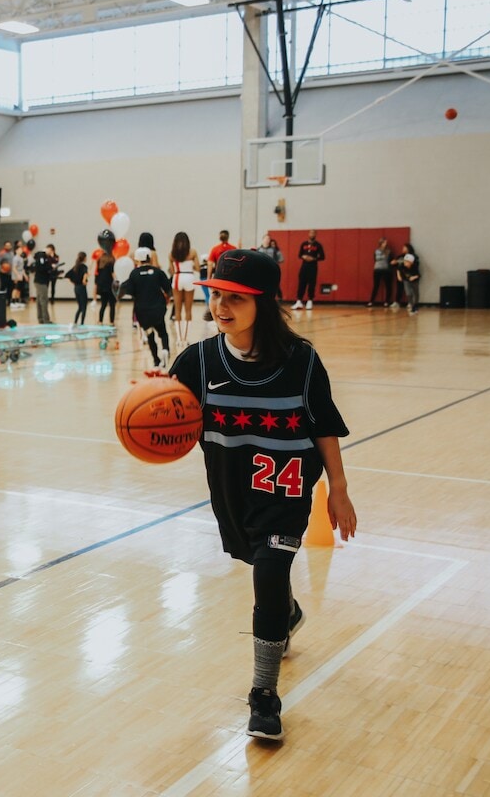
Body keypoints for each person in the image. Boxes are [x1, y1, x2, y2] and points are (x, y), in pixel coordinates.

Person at [168, 249, 356, 741]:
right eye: (216, 296)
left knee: (270, 569)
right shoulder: (200, 360)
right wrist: (149, 407)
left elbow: (325, 426)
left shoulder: (301, 360)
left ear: (263, 303)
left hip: (286, 488)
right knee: (262, 569)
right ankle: (288, 614)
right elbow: (167, 408)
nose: (221, 306)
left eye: (236, 299)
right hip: (233, 489)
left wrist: (338, 489)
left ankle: (264, 696)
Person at [120, 247, 172, 367]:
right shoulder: (158, 272)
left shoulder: (134, 274)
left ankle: (156, 360)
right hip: (158, 309)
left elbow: (130, 292)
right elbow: (169, 290)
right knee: (163, 332)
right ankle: (165, 349)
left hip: (142, 311)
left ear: (137, 259)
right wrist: (166, 300)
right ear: (149, 257)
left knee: (149, 334)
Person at [170, 231, 200, 346]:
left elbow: (172, 271)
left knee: (177, 309)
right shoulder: (192, 252)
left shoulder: (171, 254)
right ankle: (185, 339)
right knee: (188, 309)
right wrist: (190, 265)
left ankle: (179, 339)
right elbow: (197, 268)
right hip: (189, 277)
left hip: (177, 277)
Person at [293, 229, 325, 310]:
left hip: (313, 267)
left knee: (311, 284)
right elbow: (300, 254)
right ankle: (299, 301)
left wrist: (313, 259)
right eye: (311, 233)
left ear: (315, 235)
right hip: (304, 266)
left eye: (313, 233)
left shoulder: (318, 245)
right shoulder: (304, 244)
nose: (312, 234)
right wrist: (304, 256)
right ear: (308, 234)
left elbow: (322, 256)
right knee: (301, 283)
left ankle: (310, 301)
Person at [207, 230, 235, 322]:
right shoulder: (233, 248)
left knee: (217, 296)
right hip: (231, 278)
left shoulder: (215, 249)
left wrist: (209, 278)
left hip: (219, 277)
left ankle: (215, 316)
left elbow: (210, 264)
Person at [257, 234, 285, 302]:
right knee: (261, 286)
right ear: (263, 240)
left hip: (271, 271)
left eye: (268, 239)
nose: (267, 240)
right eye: (265, 239)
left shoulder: (274, 250)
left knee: (273, 286)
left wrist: (274, 263)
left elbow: (281, 259)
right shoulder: (258, 250)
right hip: (261, 271)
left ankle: (275, 300)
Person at [65, 251, 89, 326]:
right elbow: (85, 274)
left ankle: (75, 322)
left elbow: (67, 276)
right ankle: (82, 323)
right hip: (82, 288)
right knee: (84, 307)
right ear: (84, 258)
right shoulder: (84, 267)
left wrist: (73, 282)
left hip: (76, 288)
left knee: (79, 307)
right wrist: (84, 280)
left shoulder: (75, 267)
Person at [32, 245, 54, 323]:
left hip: (39, 281)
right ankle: (46, 319)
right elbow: (42, 268)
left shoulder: (43, 258)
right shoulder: (42, 257)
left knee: (39, 300)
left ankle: (40, 318)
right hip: (41, 282)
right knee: (44, 300)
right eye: (51, 251)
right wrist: (50, 267)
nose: (51, 253)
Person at [367, 238, 392, 307]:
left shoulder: (388, 251)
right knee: (376, 285)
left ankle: (386, 301)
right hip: (377, 269)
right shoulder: (376, 251)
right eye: (384, 243)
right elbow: (376, 259)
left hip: (386, 270)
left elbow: (390, 259)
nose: (385, 244)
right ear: (381, 243)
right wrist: (383, 257)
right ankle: (371, 301)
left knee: (388, 286)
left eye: (386, 243)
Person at [398, 243, 422, 315]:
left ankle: (416, 305)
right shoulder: (402, 265)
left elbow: (419, 275)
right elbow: (398, 269)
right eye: (405, 261)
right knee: (408, 293)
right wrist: (399, 276)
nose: (405, 263)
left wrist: (413, 277)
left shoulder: (414, 267)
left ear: (411, 262)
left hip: (415, 281)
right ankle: (412, 306)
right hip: (406, 280)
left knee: (416, 293)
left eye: (407, 262)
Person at [95, 253, 117, 324]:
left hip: (102, 286)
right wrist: (117, 282)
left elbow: (97, 275)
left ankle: (100, 321)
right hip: (110, 286)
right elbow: (112, 274)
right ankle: (111, 321)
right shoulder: (110, 263)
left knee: (103, 305)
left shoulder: (100, 264)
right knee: (112, 305)